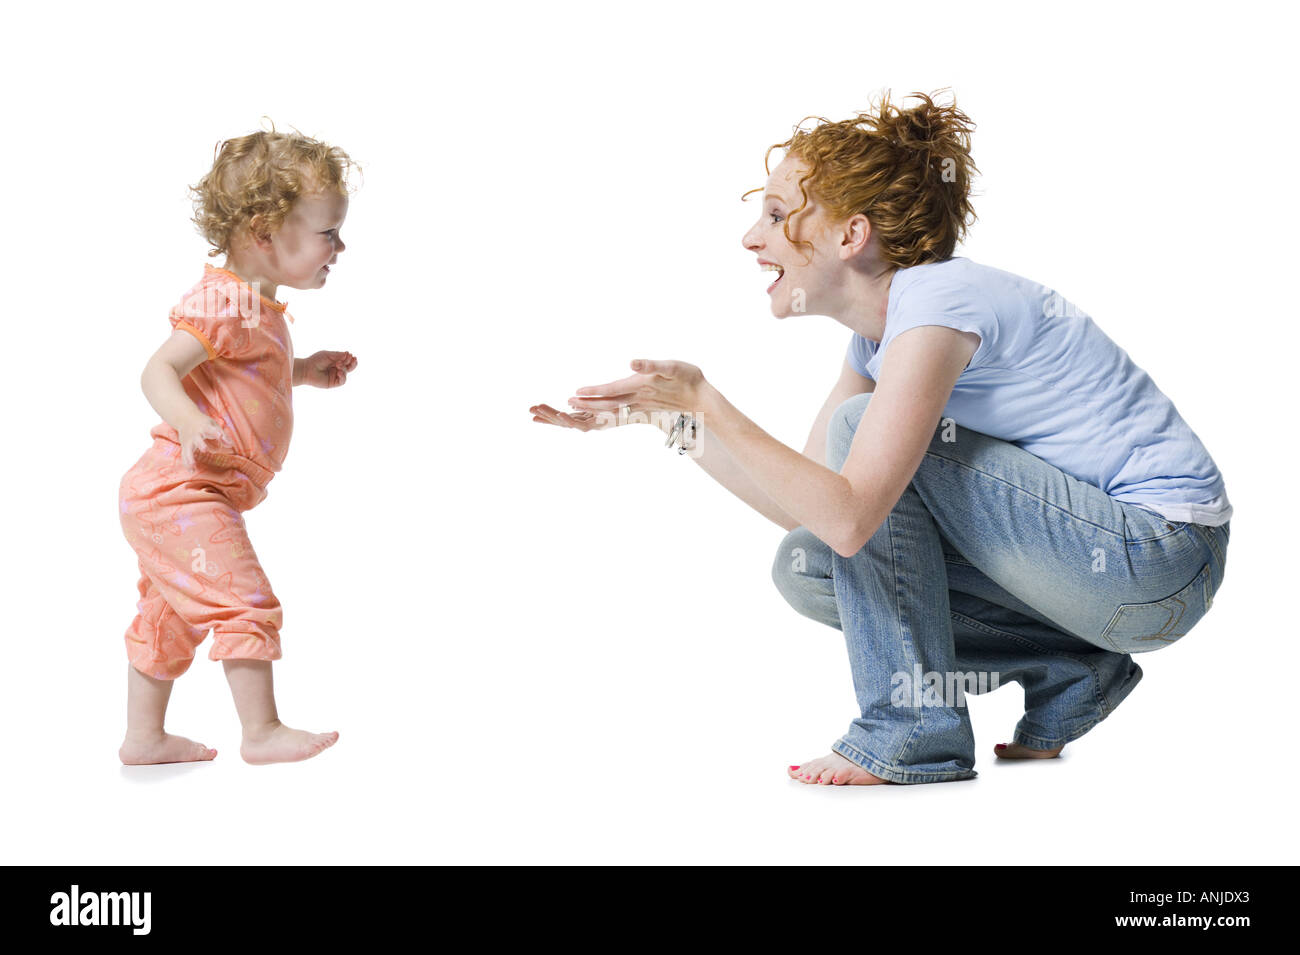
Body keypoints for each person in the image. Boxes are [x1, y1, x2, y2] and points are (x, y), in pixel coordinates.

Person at [529, 89, 1231, 787]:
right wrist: (674, 417)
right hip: (1102, 580)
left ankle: (911, 730)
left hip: (1160, 554)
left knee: (854, 443)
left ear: (850, 235)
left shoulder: (937, 301)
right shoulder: (881, 340)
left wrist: (708, 395)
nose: (751, 237)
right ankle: (1076, 670)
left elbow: (851, 510)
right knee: (806, 565)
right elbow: (810, 511)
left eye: (776, 215)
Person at [117, 123, 360, 765]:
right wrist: (190, 425)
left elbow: (247, 374)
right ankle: (261, 732)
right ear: (263, 232)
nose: (341, 246)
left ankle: (144, 739)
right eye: (327, 233)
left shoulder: (258, 305)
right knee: (245, 601)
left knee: (170, 613)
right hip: (180, 490)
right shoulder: (222, 303)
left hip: (183, 493)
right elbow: (157, 371)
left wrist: (304, 370)